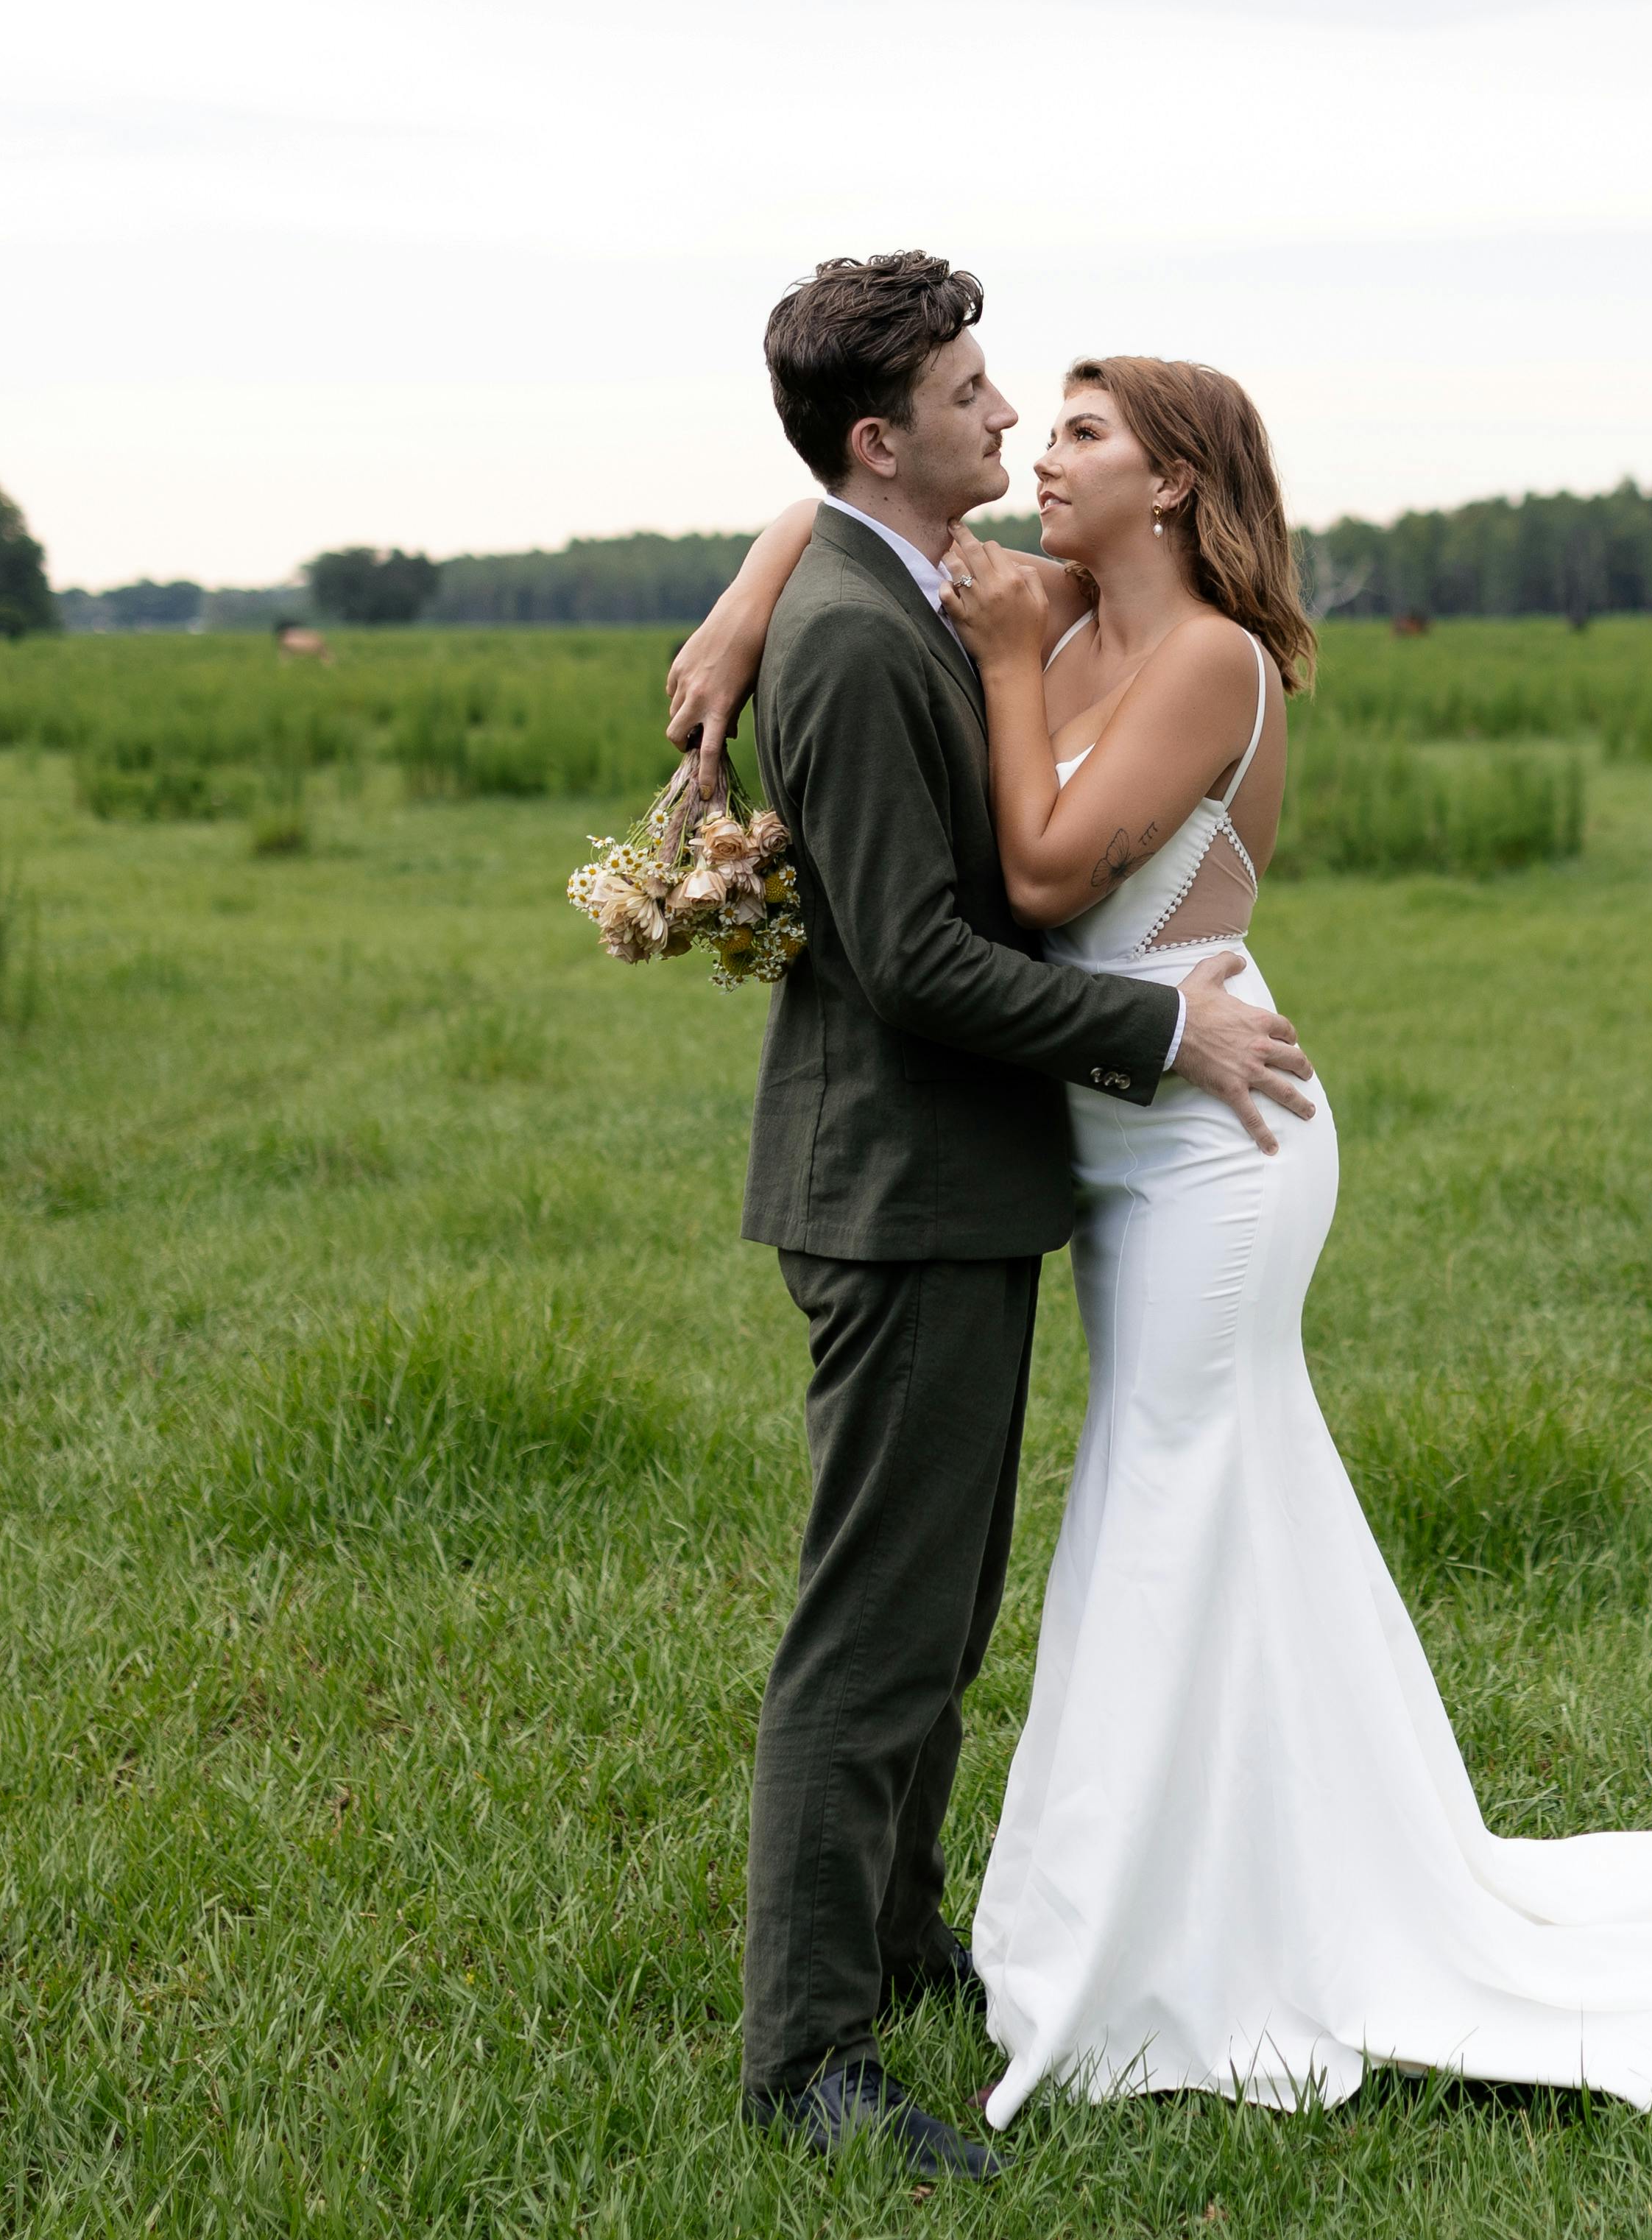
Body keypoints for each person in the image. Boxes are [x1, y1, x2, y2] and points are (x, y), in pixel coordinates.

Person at [679, 345, 1652, 2138]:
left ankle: (1197, 1935)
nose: (1028, 445)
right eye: (1012, 410)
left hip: (1212, 1139)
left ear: (1175, 484)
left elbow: (1038, 879)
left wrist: (1008, 671)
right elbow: (864, 528)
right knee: (1172, 1518)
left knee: (1171, 1506)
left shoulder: (1200, 655)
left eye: (1075, 428)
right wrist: (758, 577)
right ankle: (1167, 1902)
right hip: (1107, 1133)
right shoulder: (1056, 600)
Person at [666, 257, 1320, 2184]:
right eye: (967, 391)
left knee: (939, 1604)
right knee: (874, 1625)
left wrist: (776, 543)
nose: (1004, 415)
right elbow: (923, 961)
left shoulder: (881, 580)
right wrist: (1153, 1024)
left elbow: (852, 532)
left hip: (961, 1182)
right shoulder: (864, 645)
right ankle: (808, 2047)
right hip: (901, 1186)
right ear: (885, 437)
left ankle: (894, 1928)